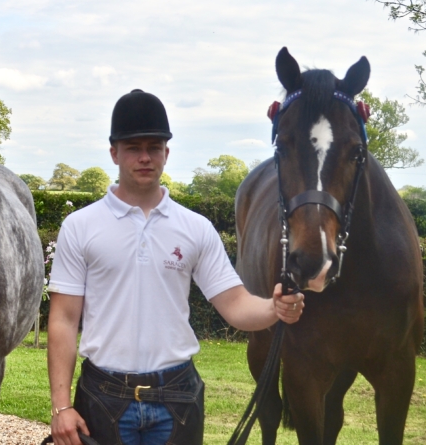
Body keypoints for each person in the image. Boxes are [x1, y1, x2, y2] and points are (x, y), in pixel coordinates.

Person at [46, 89, 304, 445]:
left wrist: (274, 308)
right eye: (133, 147)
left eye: (154, 147)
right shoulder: (80, 226)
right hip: (102, 397)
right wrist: (61, 407)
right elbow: (63, 320)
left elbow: (234, 304)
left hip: (178, 398)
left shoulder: (194, 227)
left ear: (166, 153)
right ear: (114, 152)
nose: (144, 157)